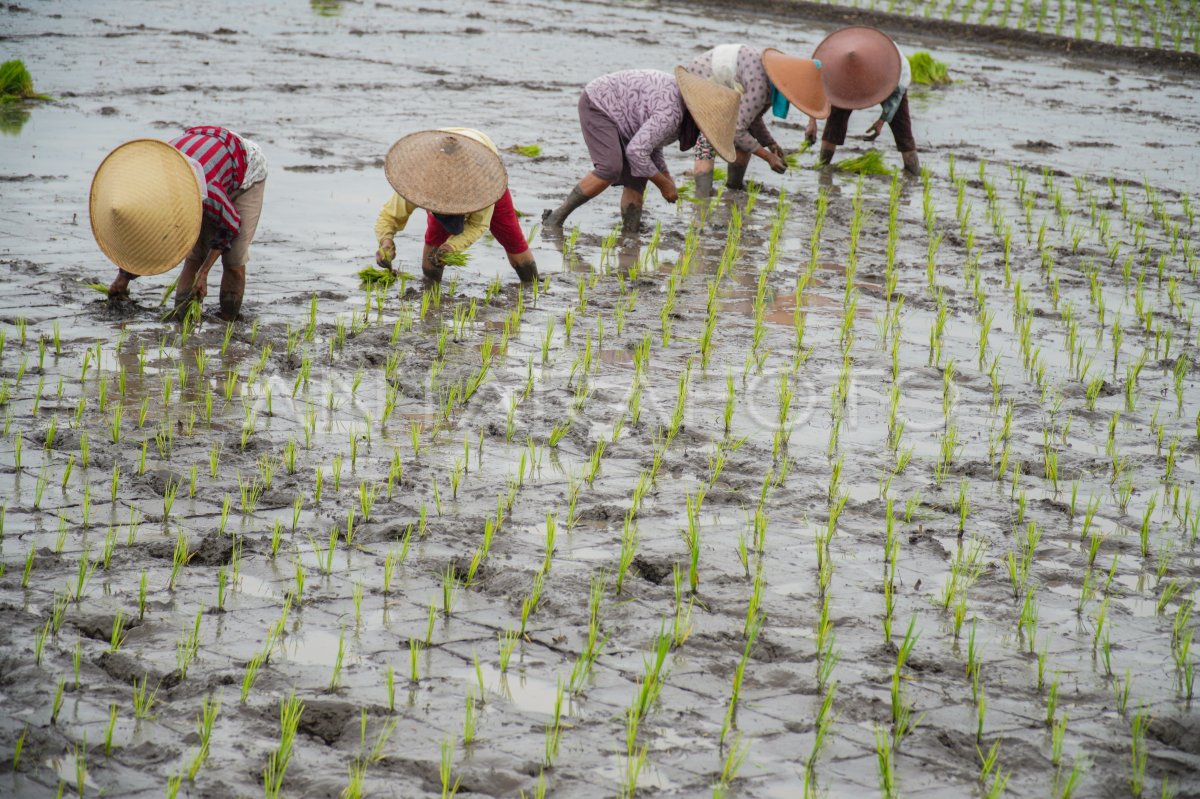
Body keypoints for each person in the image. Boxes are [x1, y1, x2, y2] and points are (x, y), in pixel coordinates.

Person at [542, 67, 739, 238]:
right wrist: (663, 185)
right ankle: (556, 218)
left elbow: (652, 146)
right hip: (599, 103)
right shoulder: (671, 114)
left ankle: (630, 232)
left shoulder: (680, 113)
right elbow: (637, 152)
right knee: (610, 168)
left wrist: (667, 176)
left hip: (627, 116)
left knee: (638, 176)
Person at [95, 126, 267, 320]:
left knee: (234, 258)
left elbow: (231, 224)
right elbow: (147, 232)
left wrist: (204, 273)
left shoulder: (209, 192)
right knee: (194, 253)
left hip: (246, 169)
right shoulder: (154, 183)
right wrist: (123, 277)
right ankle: (182, 319)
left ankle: (228, 321)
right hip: (211, 155)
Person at [374, 128, 537, 284]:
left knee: (510, 234)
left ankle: (532, 285)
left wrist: (452, 247)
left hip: (481, 158)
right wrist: (386, 242)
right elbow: (389, 215)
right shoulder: (420, 184)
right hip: (438, 151)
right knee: (434, 243)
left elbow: (478, 224)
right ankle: (431, 290)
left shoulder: (485, 186)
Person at [684, 44, 829, 196]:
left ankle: (734, 187)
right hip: (702, 81)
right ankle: (703, 193)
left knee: (746, 139)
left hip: (719, 84)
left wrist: (770, 143)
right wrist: (768, 157)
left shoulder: (773, 74)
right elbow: (738, 131)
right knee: (709, 136)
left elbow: (752, 118)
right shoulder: (759, 85)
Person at [804, 26, 920, 176]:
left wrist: (881, 121)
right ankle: (823, 166)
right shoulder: (833, 62)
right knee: (836, 118)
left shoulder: (897, 69)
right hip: (846, 77)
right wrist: (811, 121)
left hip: (885, 78)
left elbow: (896, 98)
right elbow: (817, 87)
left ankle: (913, 171)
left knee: (902, 127)